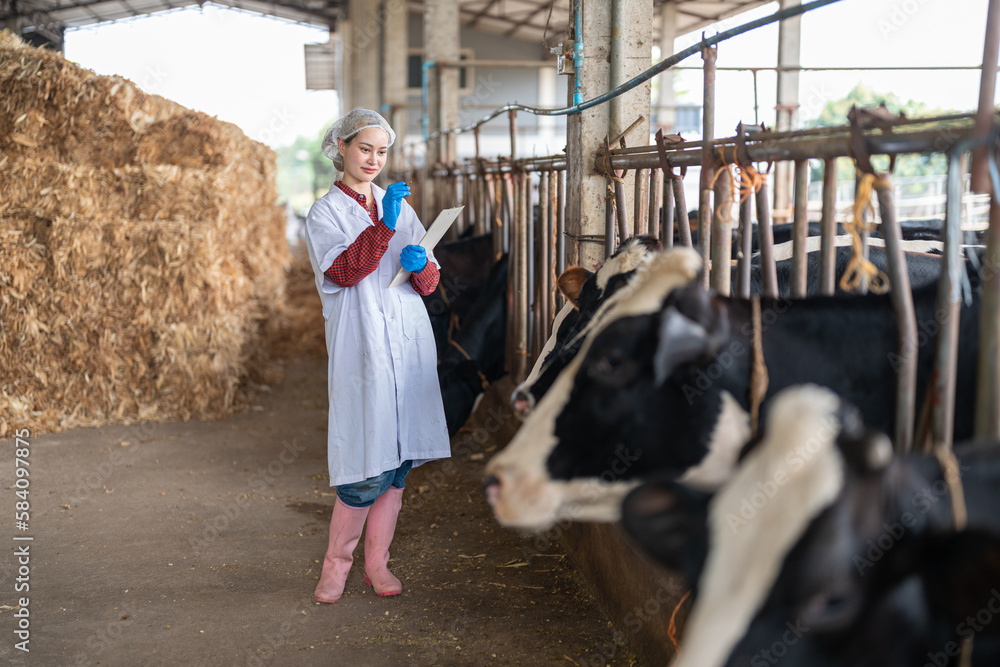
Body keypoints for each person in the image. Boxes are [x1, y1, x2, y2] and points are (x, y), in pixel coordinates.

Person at [303, 109, 451, 604]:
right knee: (364, 466)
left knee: (399, 464)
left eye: (382, 151)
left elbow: (429, 284)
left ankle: (376, 565)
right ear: (341, 147)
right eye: (364, 148)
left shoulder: (399, 206)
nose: (373, 159)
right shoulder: (325, 213)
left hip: (407, 346)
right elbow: (343, 271)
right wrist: (384, 230)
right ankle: (335, 567)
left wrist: (420, 264)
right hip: (362, 347)